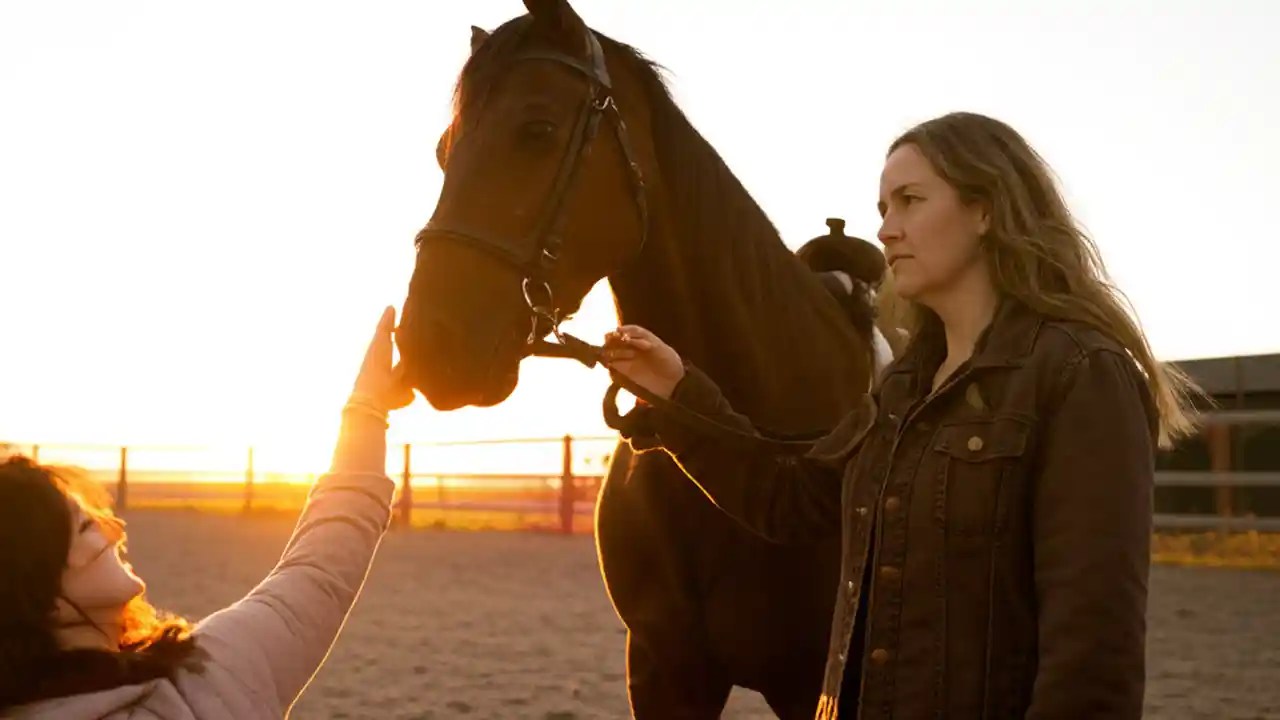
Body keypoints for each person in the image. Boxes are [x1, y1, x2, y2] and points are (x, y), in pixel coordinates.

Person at [601, 112, 1201, 719]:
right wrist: (679, 394)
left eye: (910, 201)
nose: (886, 230)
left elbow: (1094, 645)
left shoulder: (1080, 373)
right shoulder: (903, 387)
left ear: (986, 209)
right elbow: (789, 500)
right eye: (883, 208)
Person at [0, 306, 414, 719]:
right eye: (87, 526)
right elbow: (322, 567)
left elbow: (318, 566)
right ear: (40, 594)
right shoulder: (211, 677)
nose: (116, 529)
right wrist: (366, 408)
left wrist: (367, 409)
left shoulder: (210, 665)